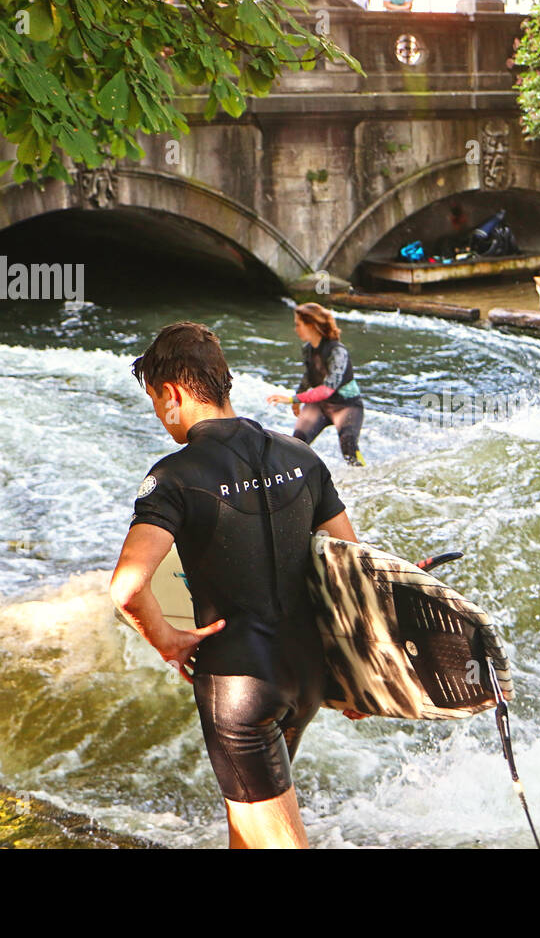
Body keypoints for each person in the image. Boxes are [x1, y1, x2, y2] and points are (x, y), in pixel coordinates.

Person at [109, 321, 363, 849]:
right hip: (308, 675)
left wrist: (168, 639)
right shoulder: (301, 455)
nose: (161, 417)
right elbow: (352, 569)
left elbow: (128, 587)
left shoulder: (174, 477)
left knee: (277, 840)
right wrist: (360, 671)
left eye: (158, 403)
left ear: (173, 393)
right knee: (249, 829)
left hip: (240, 686)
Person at [265, 302, 366, 467]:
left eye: (298, 325)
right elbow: (309, 375)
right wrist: (299, 397)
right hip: (320, 405)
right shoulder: (308, 349)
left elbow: (327, 389)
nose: (295, 329)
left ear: (311, 326)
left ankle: (365, 478)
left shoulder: (337, 351)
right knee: (296, 444)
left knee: (349, 447)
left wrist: (292, 399)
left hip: (346, 406)